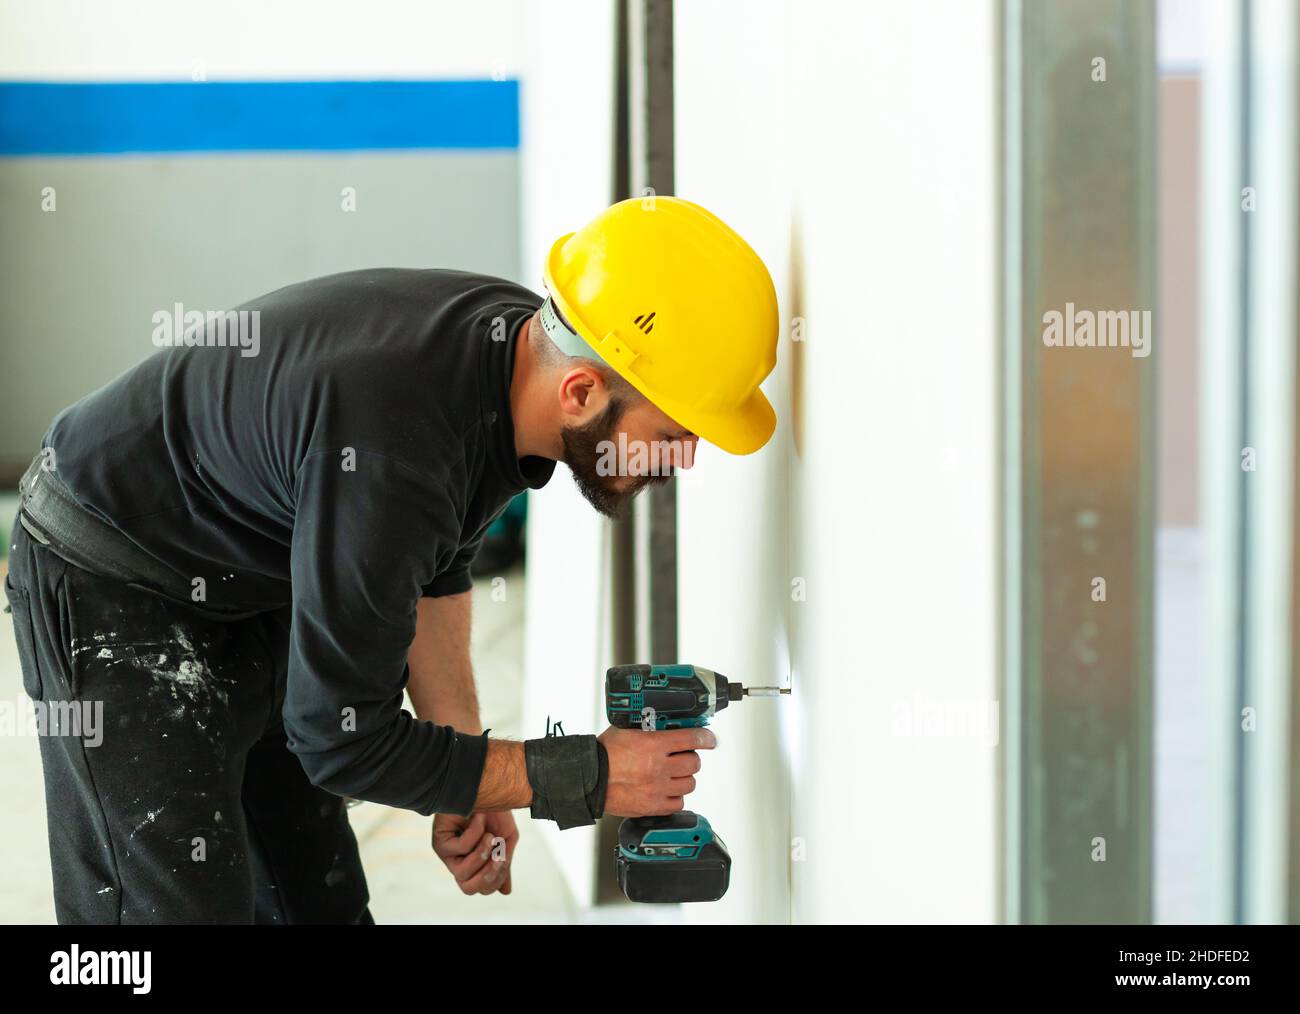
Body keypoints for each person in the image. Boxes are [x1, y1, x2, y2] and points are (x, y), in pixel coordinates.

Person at [4, 195, 779, 923]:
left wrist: (470, 773)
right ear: (581, 392)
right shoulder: (394, 444)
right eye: (674, 429)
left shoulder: (509, 358)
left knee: (317, 900)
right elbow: (341, 739)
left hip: (249, 575)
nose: (684, 456)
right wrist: (590, 775)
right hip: (111, 576)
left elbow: (437, 566)